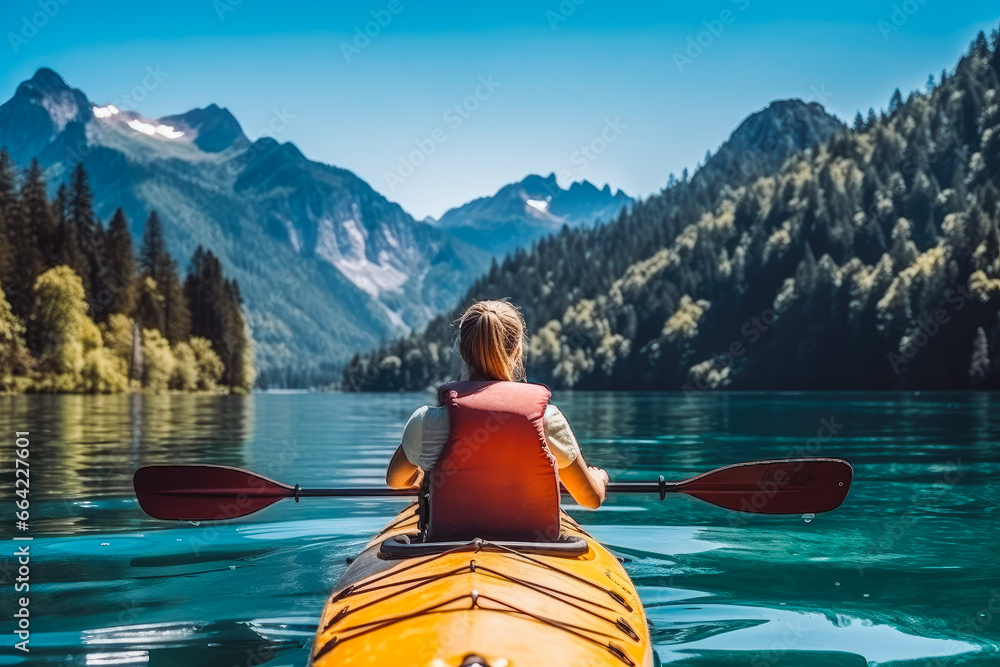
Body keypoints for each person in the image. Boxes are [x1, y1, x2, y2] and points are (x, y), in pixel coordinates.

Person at [385, 299, 610, 541]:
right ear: (518, 351)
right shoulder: (547, 419)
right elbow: (590, 499)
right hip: (536, 550)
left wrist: (425, 475)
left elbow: (396, 481)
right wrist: (599, 477)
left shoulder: (427, 421)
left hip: (446, 547)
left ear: (462, 351)